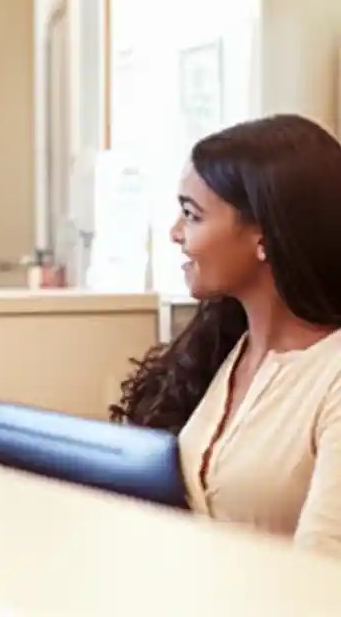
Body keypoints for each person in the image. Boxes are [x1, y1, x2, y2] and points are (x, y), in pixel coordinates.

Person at [112, 114, 341, 556]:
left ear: (264, 236)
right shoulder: (224, 346)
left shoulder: (330, 375)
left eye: (191, 215)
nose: (176, 233)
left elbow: (325, 575)